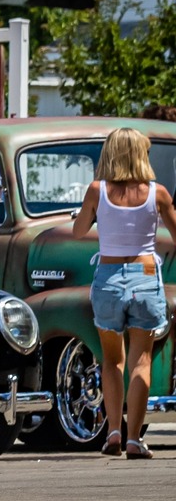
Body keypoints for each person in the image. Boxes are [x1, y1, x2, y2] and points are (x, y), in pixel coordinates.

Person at [71, 126, 176, 458]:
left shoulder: (96, 191)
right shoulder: (158, 194)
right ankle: (134, 439)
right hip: (145, 277)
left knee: (111, 360)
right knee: (141, 361)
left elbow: (77, 232)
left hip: (109, 278)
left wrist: (91, 215)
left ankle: (113, 432)